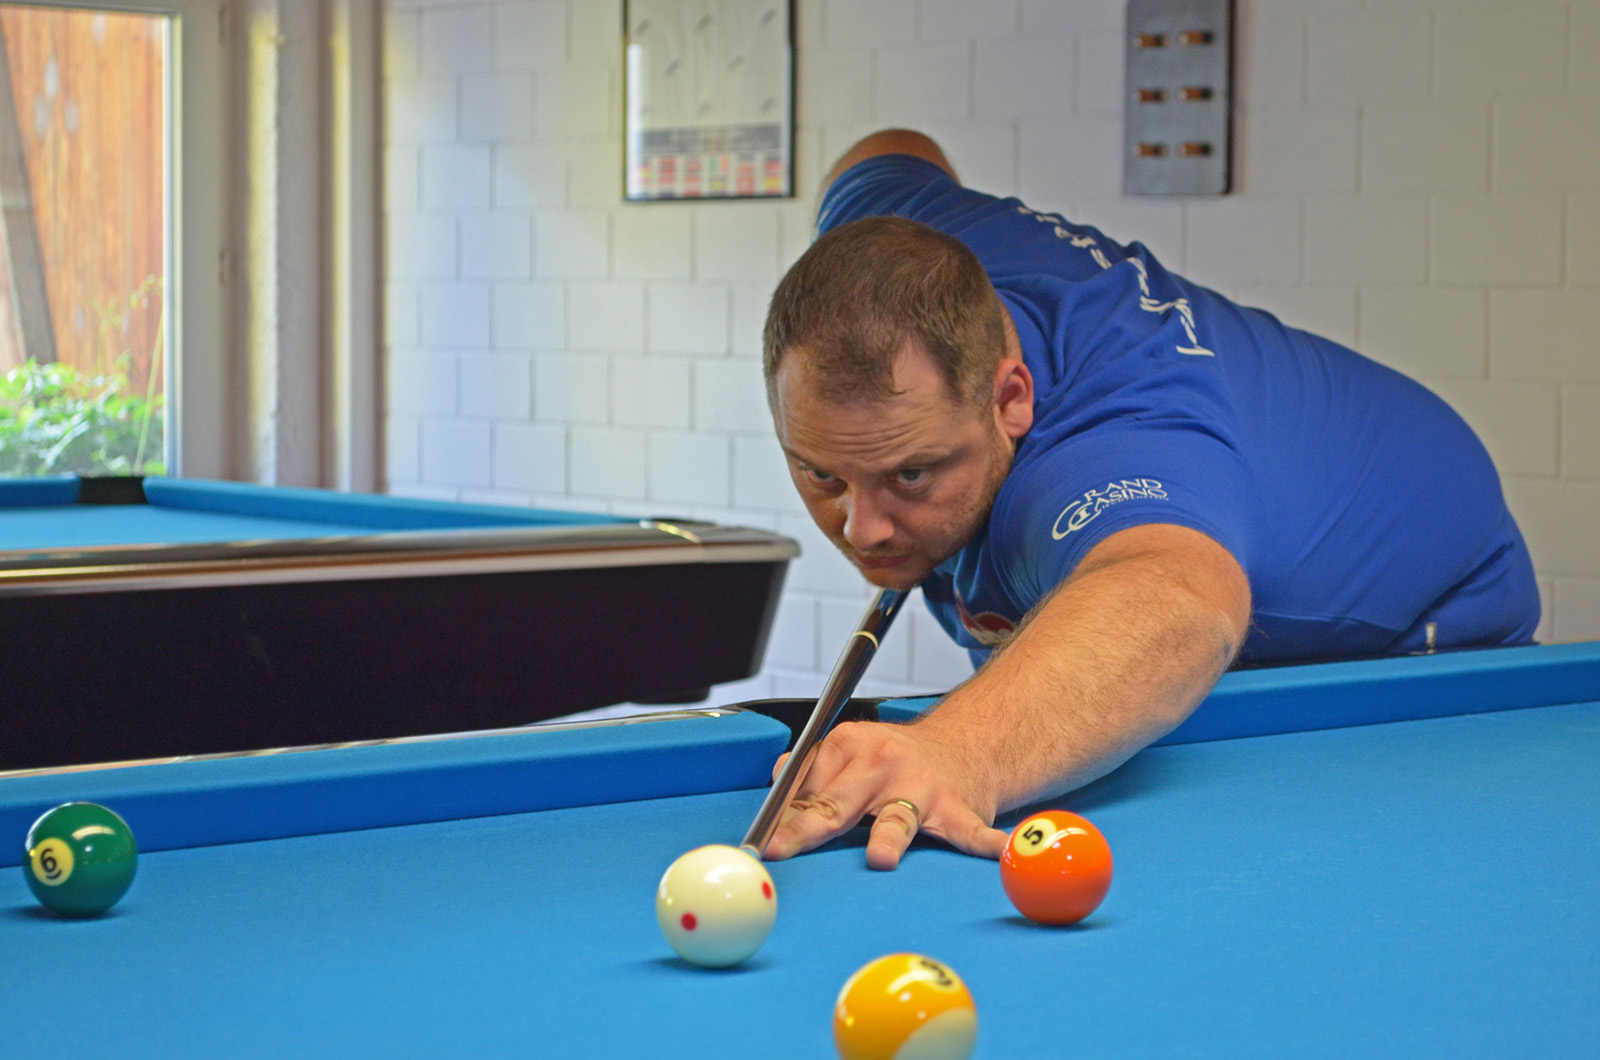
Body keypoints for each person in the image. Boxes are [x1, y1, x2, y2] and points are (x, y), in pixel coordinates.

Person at [758, 129, 1539, 871]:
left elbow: (1178, 597)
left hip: (1426, 641)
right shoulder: (893, 235)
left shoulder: (1101, 451)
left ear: (1010, 400)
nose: (863, 527)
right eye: (823, 475)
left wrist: (957, 749)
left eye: (912, 474)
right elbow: (887, 153)